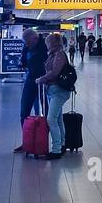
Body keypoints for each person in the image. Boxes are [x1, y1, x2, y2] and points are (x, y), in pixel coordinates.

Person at [35, 32, 73, 160]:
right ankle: (62, 144)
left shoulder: (59, 54)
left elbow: (55, 72)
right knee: (57, 119)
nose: (46, 44)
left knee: (51, 119)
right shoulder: (53, 54)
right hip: (53, 90)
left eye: (48, 42)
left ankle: (56, 149)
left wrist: (42, 79)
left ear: (53, 43)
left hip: (59, 90)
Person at [14, 29, 47, 152]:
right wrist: (21, 63)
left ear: (35, 38)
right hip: (30, 80)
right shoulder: (27, 46)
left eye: (28, 43)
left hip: (44, 82)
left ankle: (43, 141)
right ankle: (27, 141)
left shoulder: (45, 46)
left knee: (46, 113)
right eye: (25, 43)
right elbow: (23, 59)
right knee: (24, 111)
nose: (26, 45)